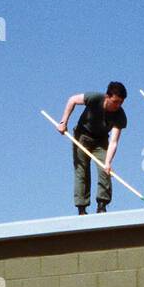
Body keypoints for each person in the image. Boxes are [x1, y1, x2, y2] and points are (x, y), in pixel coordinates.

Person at [55, 82, 128, 214]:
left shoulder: (120, 116)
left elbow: (114, 141)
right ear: (107, 97)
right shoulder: (95, 98)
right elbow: (72, 100)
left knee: (105, 170)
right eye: (115, 102)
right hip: (82, 136)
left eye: (121, 103)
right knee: (81, 171)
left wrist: (108, 162)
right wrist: (63, 122)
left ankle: (102, 205)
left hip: (101, 141)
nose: (117, 106)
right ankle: (82, 208)